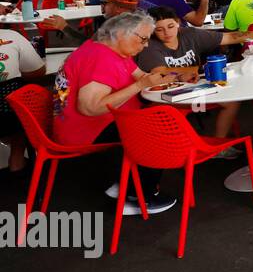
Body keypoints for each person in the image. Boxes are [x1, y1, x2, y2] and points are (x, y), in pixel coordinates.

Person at [52, 12, 179, 214]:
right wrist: (140, 85)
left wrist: (180, 77)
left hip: (78, 123)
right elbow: (89, 107)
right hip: (85, 131)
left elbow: (142, 76)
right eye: (143, 39)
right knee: (160, 130)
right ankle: (138, 197)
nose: (146, 45)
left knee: (159, 116)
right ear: (121, 34)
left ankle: (126, 183)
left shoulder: (113, 51)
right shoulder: (100, 59)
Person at [138, 6, 248, 152]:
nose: (167, 32)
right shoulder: (149, 45)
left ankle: (218, 147)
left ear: (178, 22)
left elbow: (228, 38)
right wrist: (197, 69)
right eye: (159, 29)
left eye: (171, 26)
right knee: (173, 114)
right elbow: (160, 71)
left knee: (232, 102)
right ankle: (186, 150)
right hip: (165, 97)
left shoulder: (189, 34)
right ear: (152, 30)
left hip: (195, 90)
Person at [0, 24, 47, 178]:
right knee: (19, 108)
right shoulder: (12, 36)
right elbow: (37, 71)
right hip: (8, 117)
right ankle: (17, 160)